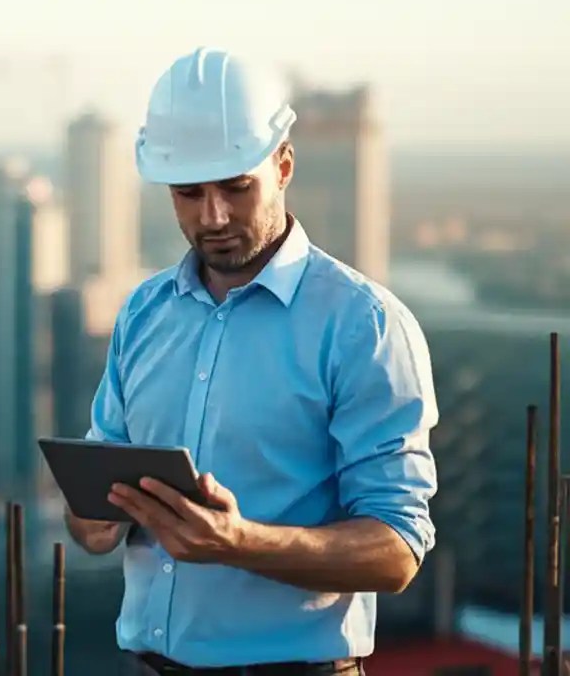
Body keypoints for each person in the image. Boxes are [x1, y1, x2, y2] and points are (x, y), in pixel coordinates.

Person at [64, 46, 438, 675]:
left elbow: (397, 550)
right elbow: (94, 513)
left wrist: (240, 544)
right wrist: (93, 522)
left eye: (237, 188)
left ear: (284, 165)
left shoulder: (363, 326)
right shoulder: (143, 314)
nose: (212, 217)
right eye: (188, 193)